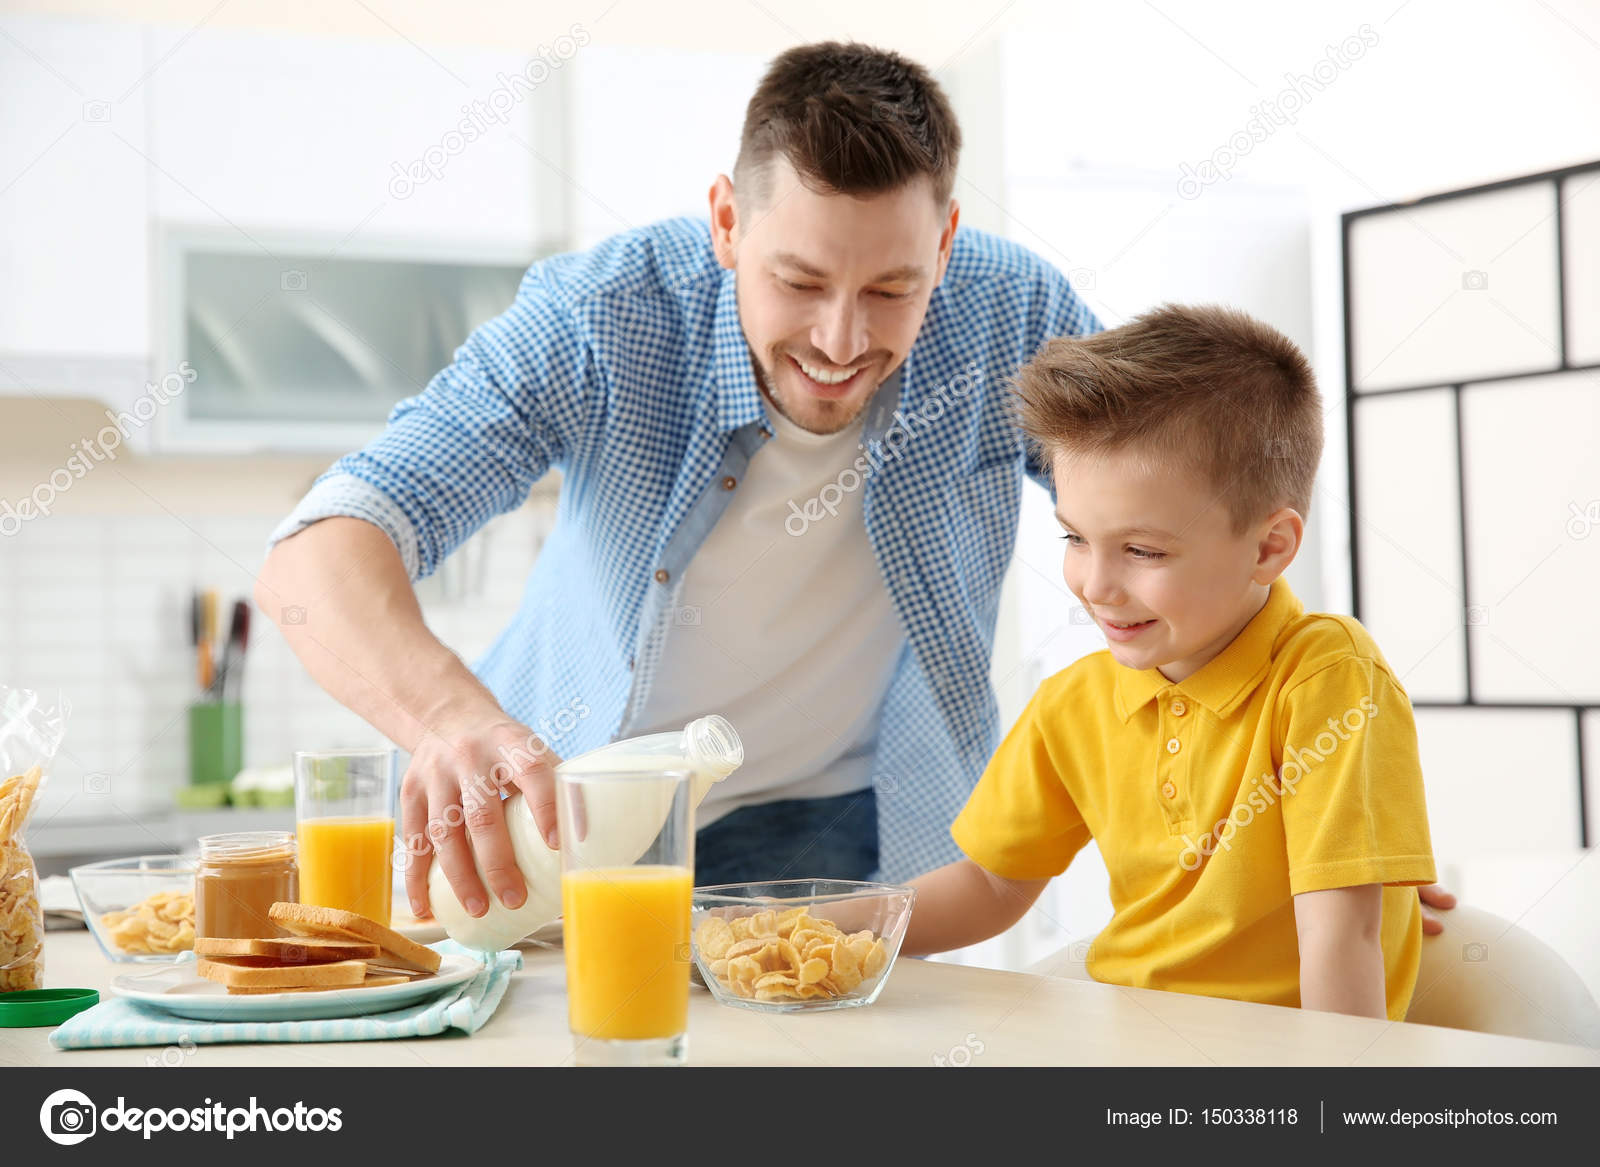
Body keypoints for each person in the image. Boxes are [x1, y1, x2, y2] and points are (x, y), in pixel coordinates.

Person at [256, 41, 1100, 921]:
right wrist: (447, 715)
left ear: (946, 241)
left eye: (892, 290)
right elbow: (315, 551)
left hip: (829, 817)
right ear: (728, 222)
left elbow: (1158, 483)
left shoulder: (1014, 312)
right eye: (799, 281)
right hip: (571, 811)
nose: (842, 341)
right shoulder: (601, 316)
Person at [901, 305, 1438, 1018]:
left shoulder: (1326, 677)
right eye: (1075, 539)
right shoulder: (1074, 701)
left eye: (1143, 551)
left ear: (1269, 548)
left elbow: (1340, 934)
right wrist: (807, 924)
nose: (1095, 585)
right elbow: (992, 885)